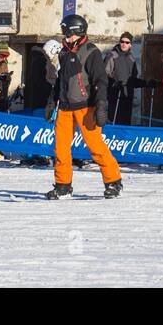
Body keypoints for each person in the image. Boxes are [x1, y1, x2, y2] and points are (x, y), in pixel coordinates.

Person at [45, 14, 122, 200]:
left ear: (77, 32)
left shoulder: (91, 51)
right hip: (64, 107)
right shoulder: (63, 52)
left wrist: (101, 104)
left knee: (95, 146)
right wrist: (51, 103)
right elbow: (59, 82)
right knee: (61, 149)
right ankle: (63, 185)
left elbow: (101, 81)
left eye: (67, 33)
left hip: (86, 107)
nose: (65, 37)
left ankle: (113, 182)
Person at [105, 32, 138, 126]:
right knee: (114, 120)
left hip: (127, 94)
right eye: (122, 41)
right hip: (115, 94)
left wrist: (146, 83)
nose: (124, 44)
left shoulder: (131, 58)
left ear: (130, 44)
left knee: (126, 121)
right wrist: (114, 82)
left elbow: (133, 77)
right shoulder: (112, 55)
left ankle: (124, 139)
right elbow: (105, 73)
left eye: (127, 42)